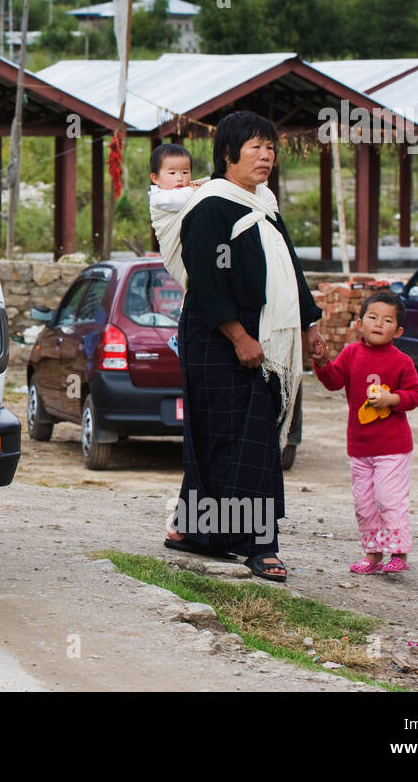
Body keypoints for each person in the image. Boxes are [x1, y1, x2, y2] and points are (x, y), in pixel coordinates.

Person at [162, 111, 323, 582]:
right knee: (234, 442)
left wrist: (310, 323)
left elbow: (289, 268)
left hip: (264, 343)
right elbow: (209, 284)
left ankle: (193, 532)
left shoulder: (264, 205)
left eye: (270, 147)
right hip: (220, 342)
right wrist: (239, 337)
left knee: (245, 439)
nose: (267, 155)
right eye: (255, 147)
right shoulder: (210, 207)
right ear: (228, 154)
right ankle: (259, 545)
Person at [312, 291, 418, 574]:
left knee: (389, 500)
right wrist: (323, 362)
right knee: (364, 504)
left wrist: (393, 399)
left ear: (397, 331)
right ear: (359, 322)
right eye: (372, 317)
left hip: (393, 446)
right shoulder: (351, 353)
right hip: (360, 446)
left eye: (387, 320)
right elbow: (335, 382)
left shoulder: (402, 361)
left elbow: (416, 394)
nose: (378, 324)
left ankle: (398, 554)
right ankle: (372, 556)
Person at [147, 142, 205, 355]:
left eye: (185, 172)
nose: (180, 178)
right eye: (172, 172)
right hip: (176, 252)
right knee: (197, 288)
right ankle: (181, 336)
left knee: (195, 292)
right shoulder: (162, 197)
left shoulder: (185, 190)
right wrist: (206, 188)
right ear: (156, 178)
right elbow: (184, 199)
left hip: (189, 248)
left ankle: (181, 336)